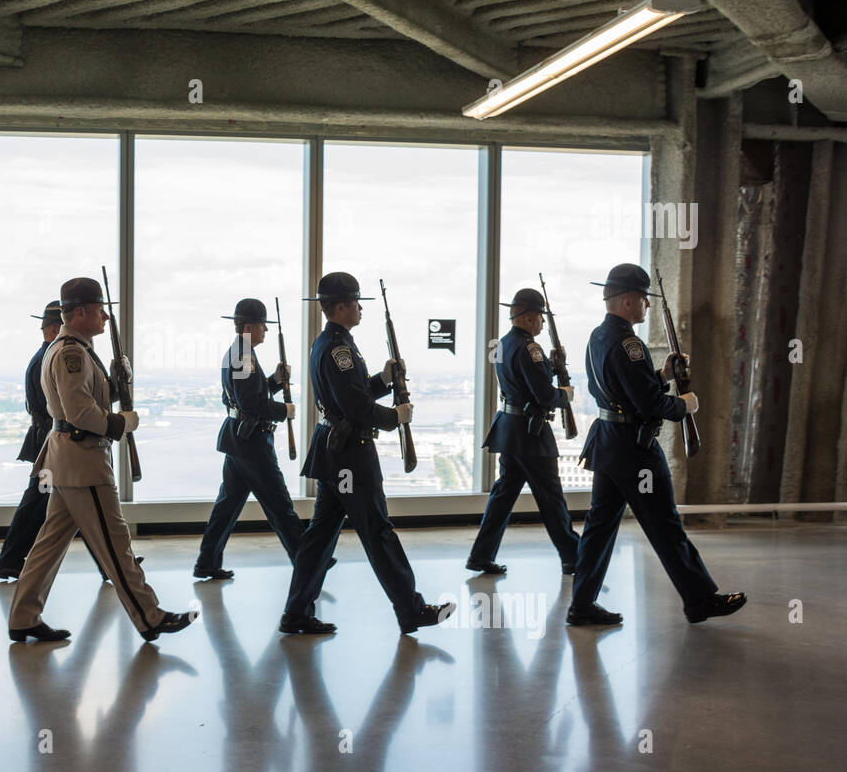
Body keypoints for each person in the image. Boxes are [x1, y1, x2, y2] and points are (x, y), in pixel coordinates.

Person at [7, 277, 196, 643]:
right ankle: (150, 616)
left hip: (68, 460)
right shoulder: (71, 353)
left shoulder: (73, 347)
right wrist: (123, 422)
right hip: (83, 462)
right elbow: (80, 411)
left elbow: (87, 396)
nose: (105, 318)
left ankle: (22, 617)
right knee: (116, 543)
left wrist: (114, 378)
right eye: (99, 310)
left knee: (49, 545)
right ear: (79, 313)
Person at [568, 264, 747, 626]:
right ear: (629, 300)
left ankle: (582, 605)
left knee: (599, 526)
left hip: (607, 443)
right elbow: (648, 404)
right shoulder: (630, 343)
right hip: (635, 451)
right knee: (665, 524)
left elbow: (619, 389)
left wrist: (663, 375)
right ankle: (699, 599)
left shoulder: (598, 336)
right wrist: (684, 405)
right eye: (644, 302)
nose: (647, 308)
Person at [281, 272, 455, 636]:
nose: (361, 309)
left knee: (320, 537)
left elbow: (352, 394)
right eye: (357, 302)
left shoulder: (330, 343)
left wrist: (383, 378)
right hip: (350, 457)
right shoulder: (340, 348)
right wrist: (396, 417)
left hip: (336, 452)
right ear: (341, 306)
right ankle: (412, 610)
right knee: (378, 532)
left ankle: (296, 612)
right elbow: (356, 407)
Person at [466, 287, 580, 575]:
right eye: (540, 318)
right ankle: (573, 556)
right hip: (531, 436)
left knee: (502, 497)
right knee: (551, 498)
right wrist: (565, 394)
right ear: (529, 319)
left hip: (510, 430)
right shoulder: (531, 348)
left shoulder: (503, 344)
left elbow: (523, 380)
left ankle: (481, 555)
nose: (542, 323)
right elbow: (542, 395)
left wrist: (552, 367)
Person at [0, 301, 109, 582]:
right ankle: (9, 561)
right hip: (52, 440)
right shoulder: (52, 357)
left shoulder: (46, 355)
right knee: (38, 501)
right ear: (55, 328)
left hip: (51, 440)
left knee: (70, 505)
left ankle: (107, 563)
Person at [193, 297, 305, 580]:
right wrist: (285, 410)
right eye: (263, 325)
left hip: (240, 441)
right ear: (250, 326)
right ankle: (307, 559)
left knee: (227, 506)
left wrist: (276, 382)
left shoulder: (239, 352)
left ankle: (207, 562)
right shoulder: (243, 355)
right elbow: (251, 404)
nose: (266, 331)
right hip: (251, 443)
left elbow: (251, 395)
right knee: (280, 504)